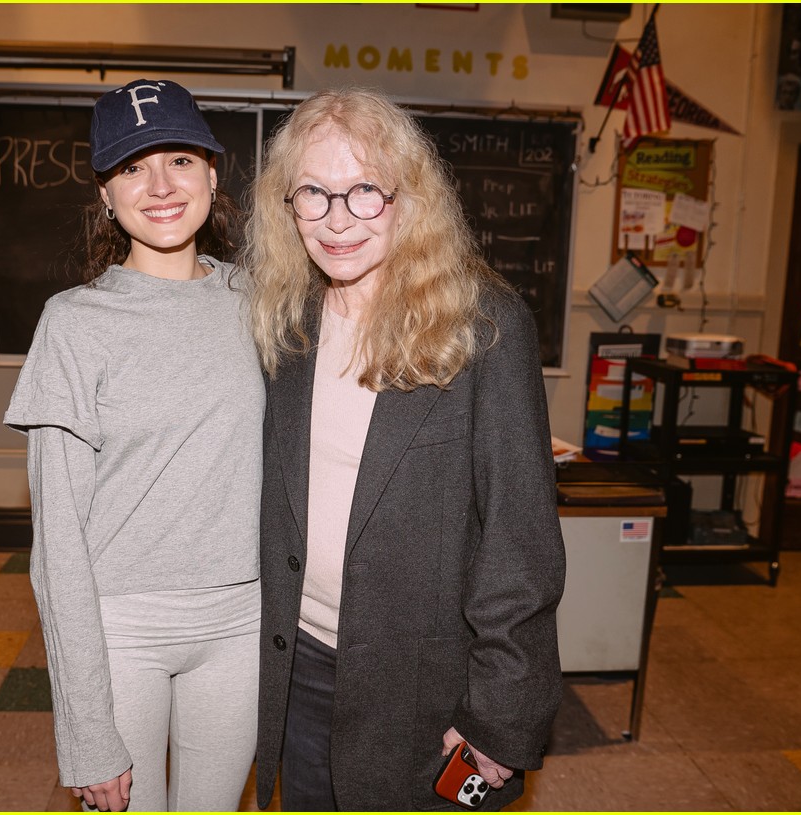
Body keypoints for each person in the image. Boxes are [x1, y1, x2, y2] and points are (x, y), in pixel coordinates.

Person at [243, 86, 566, 811]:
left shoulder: (485, 326)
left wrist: (500, 717)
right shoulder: (283, 321)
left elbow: (522, 542)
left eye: (364, 191)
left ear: (409, 196)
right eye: (313, 194)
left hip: (427, 691)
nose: (337, 219)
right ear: (285, 206)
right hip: (298, 671)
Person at [3, 79, 263, 812]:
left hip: (241, 625)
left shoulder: (263, 302)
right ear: (107, 195)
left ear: (213, 173)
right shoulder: (74, 324)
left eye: (179, 159)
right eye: (131, 168)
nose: (159, 186)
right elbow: (56, 542)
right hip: (122, 633)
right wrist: (85, 730)